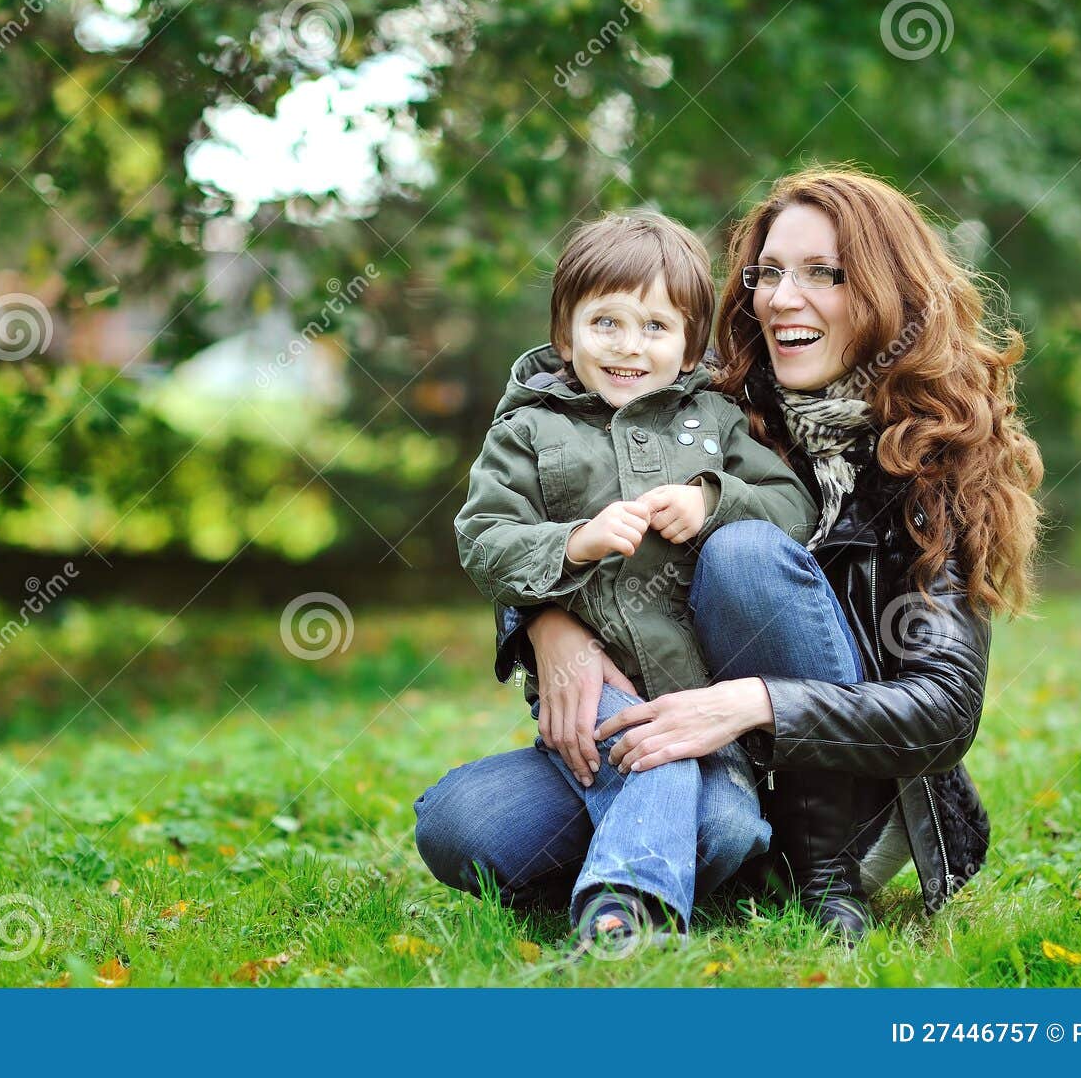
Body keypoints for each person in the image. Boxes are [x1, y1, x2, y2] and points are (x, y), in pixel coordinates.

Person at [415, 166, 1044, 945]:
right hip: (688, 741)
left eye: (825, 274)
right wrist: (547, 623)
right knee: (463, 820)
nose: (782, 297)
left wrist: (751, 703)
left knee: (745, 550)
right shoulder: (716, 403)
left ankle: (807, 870)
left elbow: (943, 709)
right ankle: (710, 846)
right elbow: (534, 511)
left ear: (888, 295)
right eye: (769, 273)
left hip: (842, 795)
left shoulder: (931, 456)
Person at [445, 210, 817, 949]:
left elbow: (793, 506)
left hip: (697, 688)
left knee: (730, 824)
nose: (628, 346)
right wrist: (573, 542)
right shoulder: (528, 428)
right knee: (646, 760)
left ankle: (649, 850)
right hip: (596, 686)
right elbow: (483, 539)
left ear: (686, 348)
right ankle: (624, 909)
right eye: (605, 322)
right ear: (565, 333)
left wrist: (712, 499)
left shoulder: (714, 421)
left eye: (655, 327)